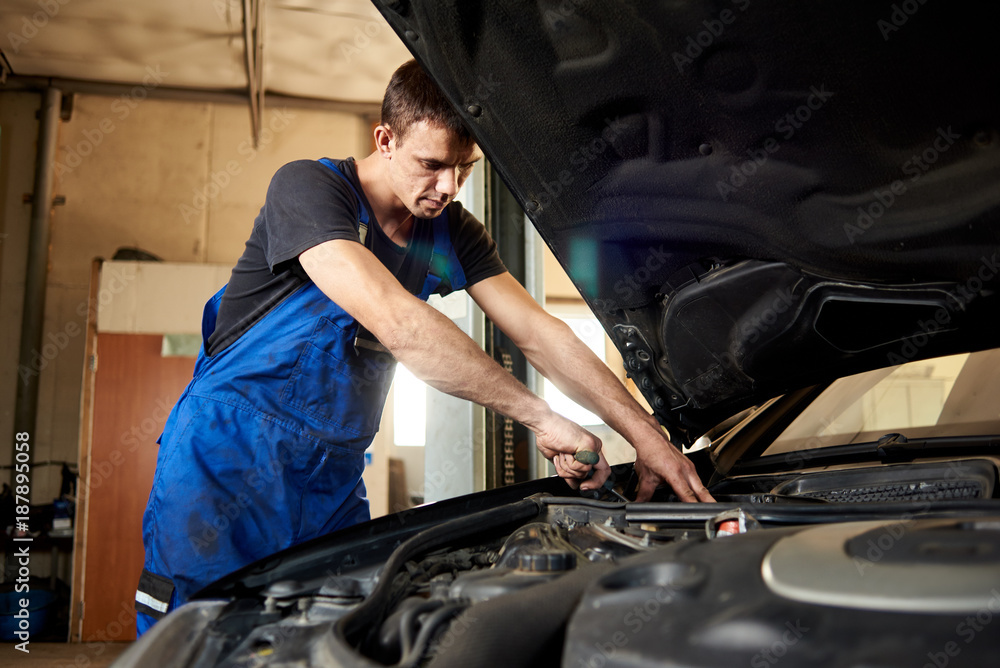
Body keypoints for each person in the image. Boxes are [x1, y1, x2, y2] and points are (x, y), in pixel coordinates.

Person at [134, 59, 714, 635]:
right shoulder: (311, 190)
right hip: (223, 463)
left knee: (329, 634)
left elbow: (541, 334)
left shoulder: (452, 235)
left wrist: (646, 436)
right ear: (385, 140)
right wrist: (544, 418)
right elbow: (397, 321)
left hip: (330, 479)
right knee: (196, 635)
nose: (447, 188)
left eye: (464, 169)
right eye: (431, 165)